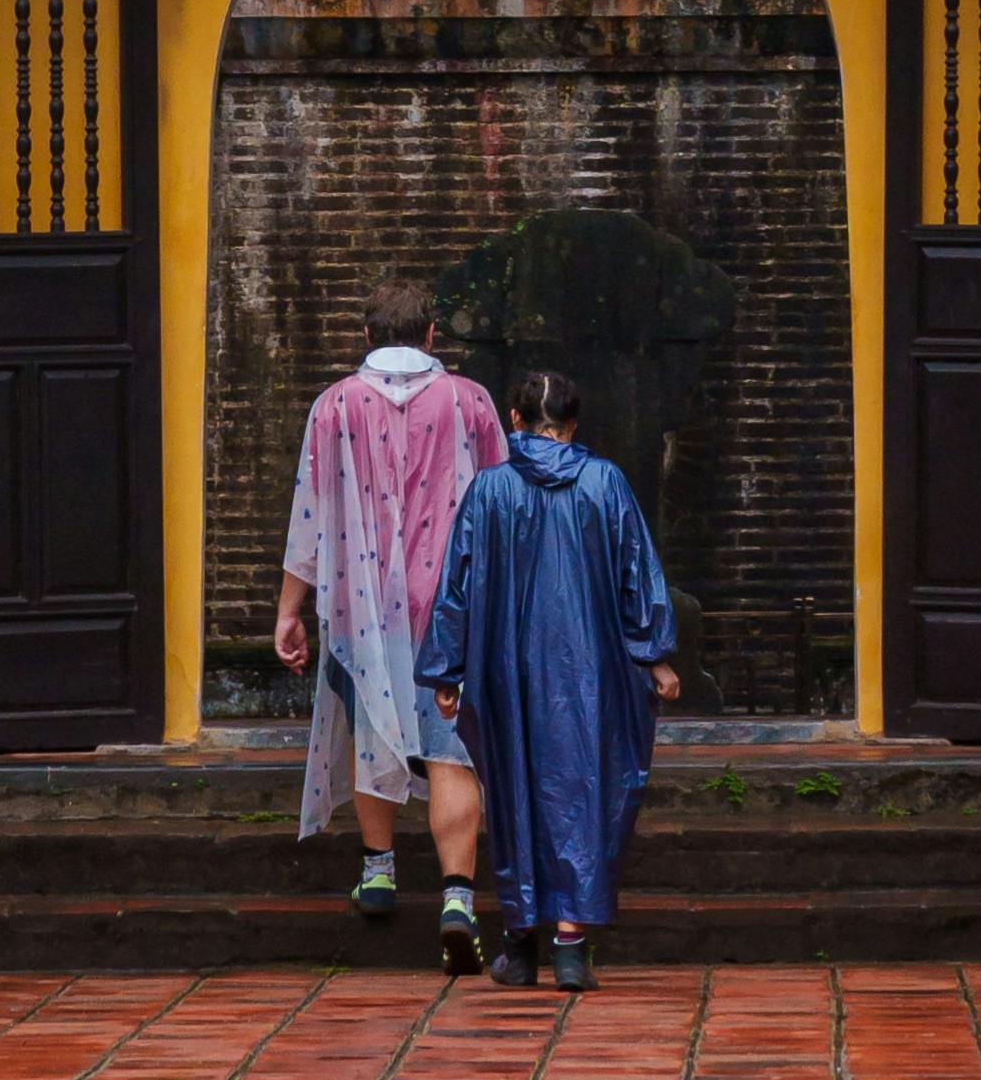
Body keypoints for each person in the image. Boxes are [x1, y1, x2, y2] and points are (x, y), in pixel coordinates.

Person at [415, 364, 680, 990]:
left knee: (513, 794)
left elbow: (455, 588)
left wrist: (446, 671)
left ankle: (519, 942)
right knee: (586, 795)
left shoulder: (489, 492)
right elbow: (638, 578)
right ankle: (570, 943)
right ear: (573, 422)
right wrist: (656, 656)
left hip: (506, 672)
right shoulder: (606, 483)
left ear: (514, 420)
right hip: (592, 675)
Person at [272, 277, 506, 968]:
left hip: (361, 598)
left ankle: (379, 871)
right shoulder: (470, 402)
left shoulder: (336, 405)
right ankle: (458, 893)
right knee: (450, 744)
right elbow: (499, 500)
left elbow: (310, 512)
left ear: (367, 337)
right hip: (452, 603)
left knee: (372, 725)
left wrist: (289, 609)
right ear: (432, 335)